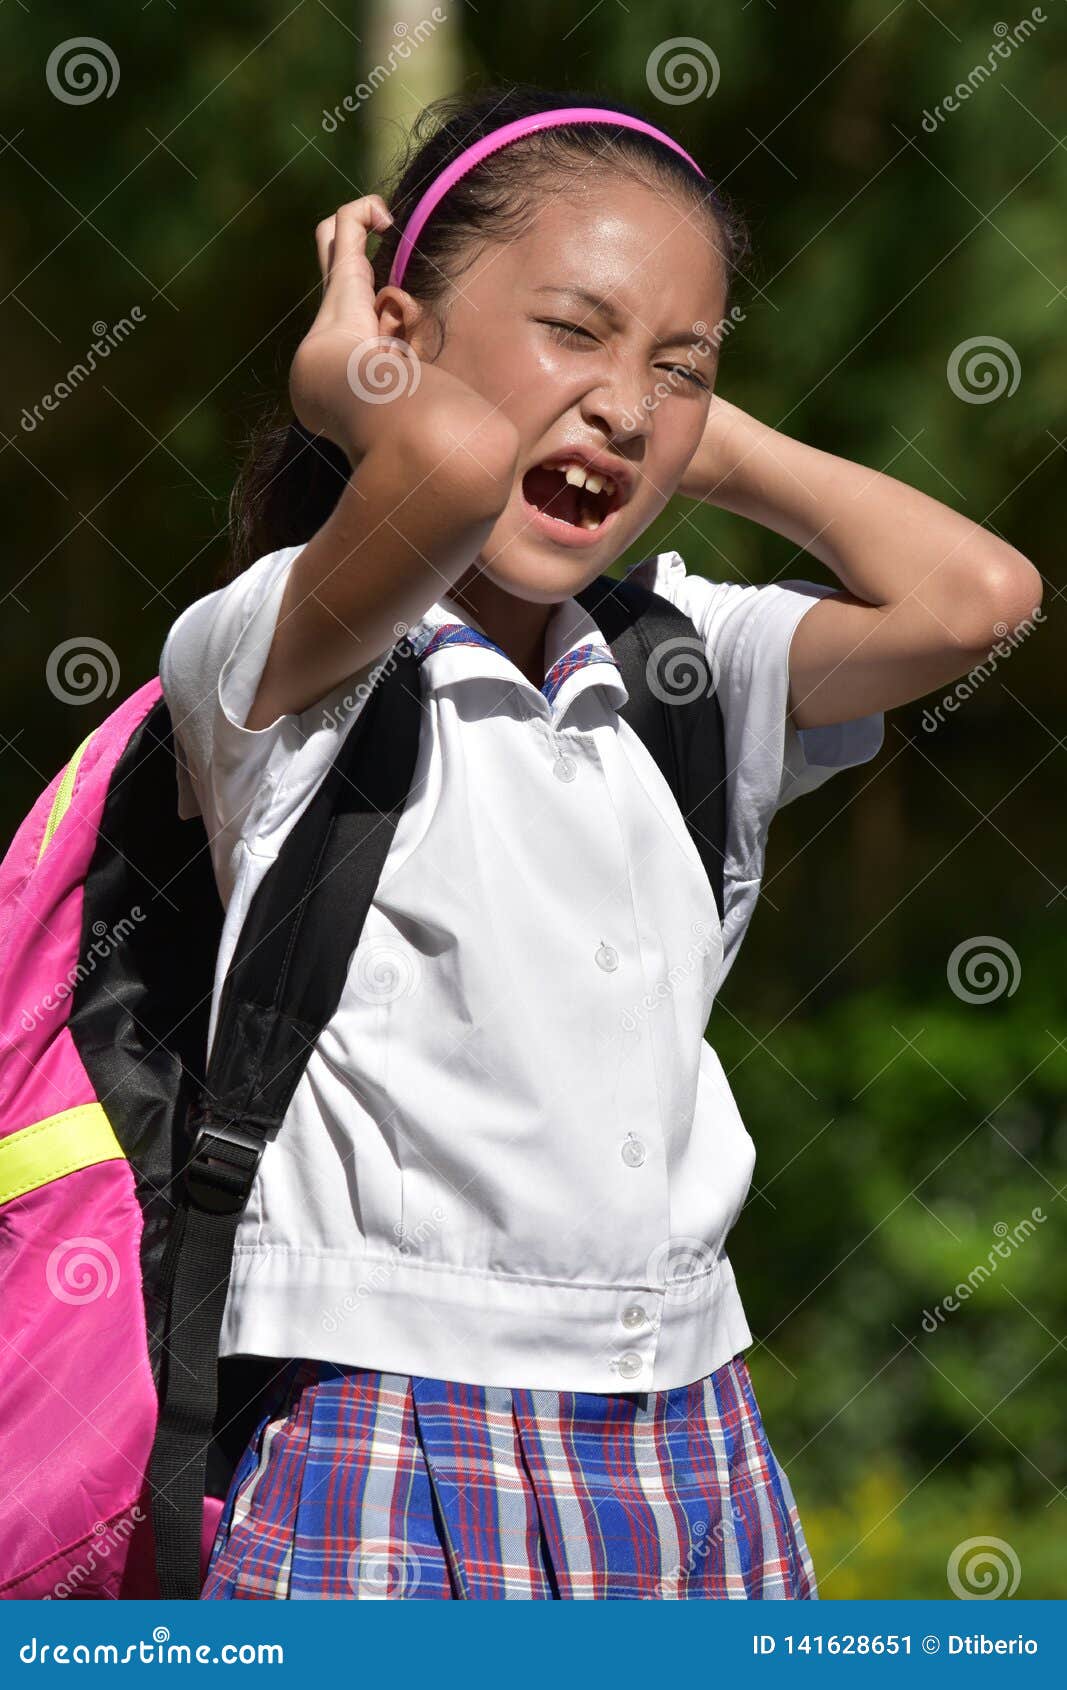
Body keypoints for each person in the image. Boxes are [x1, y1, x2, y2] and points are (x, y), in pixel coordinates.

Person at [159, 85, 1042, 1600]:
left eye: (680, 367)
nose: (625, 408)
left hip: (687, 1421)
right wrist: (361, 382)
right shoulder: (276, 647)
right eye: (574, 329)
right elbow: (434, 475)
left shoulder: (680, 655)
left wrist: (694, 434)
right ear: (401, 334)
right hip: (385, 1411)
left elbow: (977, 597)